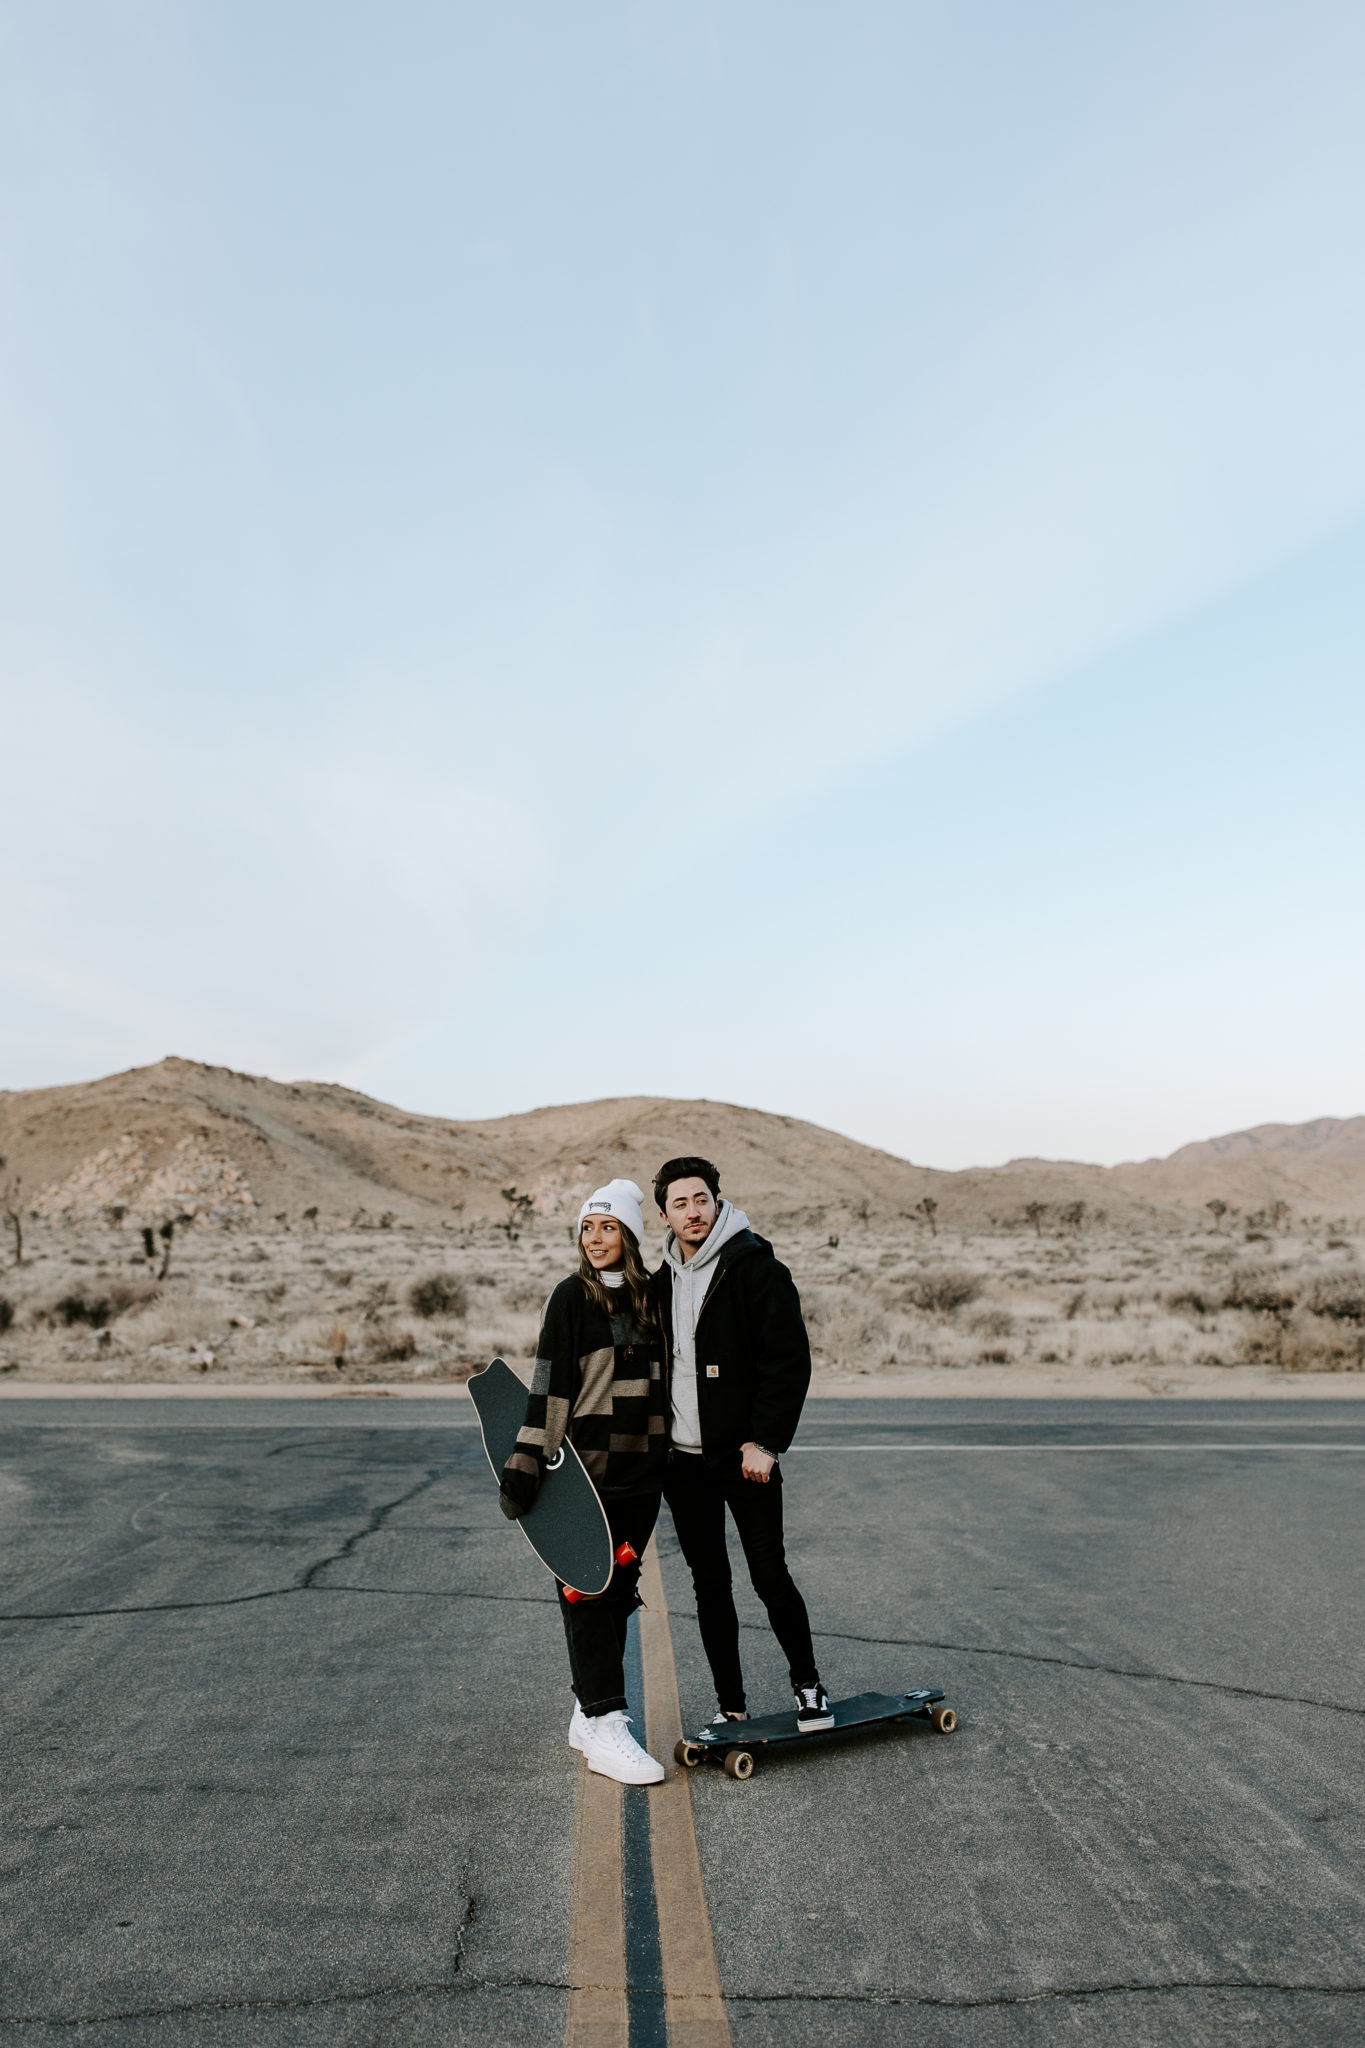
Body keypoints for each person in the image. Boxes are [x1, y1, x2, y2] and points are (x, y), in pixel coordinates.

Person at [652, 1156, 833, 1734]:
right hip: (682, 1464)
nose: (692, 1211)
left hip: (744, 1458)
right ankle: (731, 1704)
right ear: (665, 1213)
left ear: (717, 1201)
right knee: (710, 1586)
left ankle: (809, 1687)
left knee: (768, 1575)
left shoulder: (754, 1267)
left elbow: (788, 1362)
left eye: (700, 1199)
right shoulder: (659, 1280)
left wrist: (767, 1442)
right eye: (679, 1203)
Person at [498, 1177, 669, 1785]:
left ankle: (586, 1709)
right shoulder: (571, 1297)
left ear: (630, 1234)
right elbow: (551, 1385)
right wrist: (526, 1456)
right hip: (586, 1476)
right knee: (587, 1592)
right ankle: (608, 1721)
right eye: (588, 1228)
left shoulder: (654, 1295)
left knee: (618, 1592)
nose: (596, 1239)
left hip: (643, 1474)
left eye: (609, 1227)